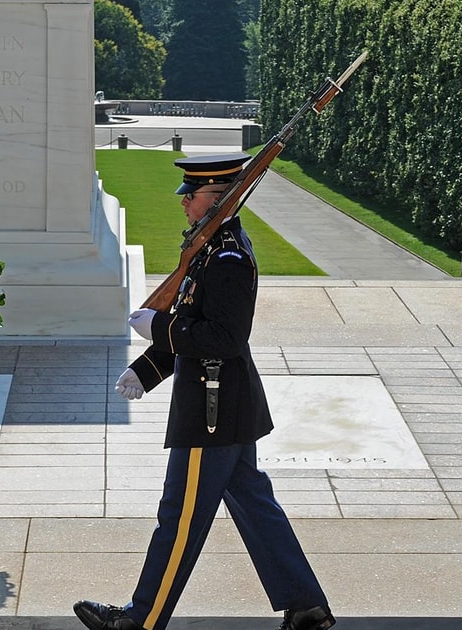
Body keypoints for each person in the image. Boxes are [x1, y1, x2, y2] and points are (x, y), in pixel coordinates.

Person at [73, 154, 334, 630]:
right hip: (226, 405)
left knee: (179, 517)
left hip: (212, 411)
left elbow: (223, 338)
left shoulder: (227, 257)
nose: (183, 205)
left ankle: (142, 619)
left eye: (190, 197)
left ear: (216, 201)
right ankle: (306, 606)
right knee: (255, 506)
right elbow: (194, 327)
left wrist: (160, 327)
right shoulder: (209, 249)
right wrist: (147, 370)